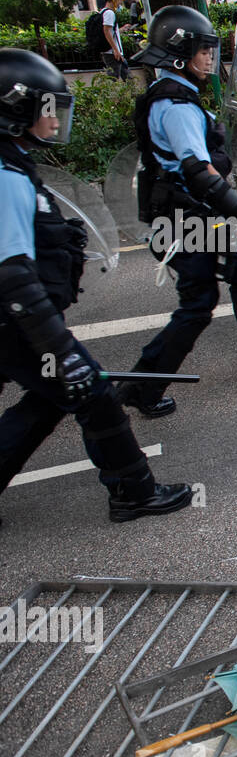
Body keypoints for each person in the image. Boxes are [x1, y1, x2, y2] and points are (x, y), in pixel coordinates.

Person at [0, 48, 193, 524]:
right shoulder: (5, 177)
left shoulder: (11, 162)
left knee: (51, 400)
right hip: (14, 321)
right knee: (93, 395)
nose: (54, 119)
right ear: (14, 110)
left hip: (11, 321)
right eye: (47, 108)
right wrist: (59, 349)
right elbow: (14, 276)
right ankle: (133, 491)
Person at [119, 6, 237, 419]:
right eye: (202, 50)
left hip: (192, 213)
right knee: (198, 302)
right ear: (178, 53)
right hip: (187, 218)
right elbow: (198, 172)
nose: (210, 58)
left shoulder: (165, 93)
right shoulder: (177, 103)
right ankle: (141, 386)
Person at [100, 0, 130, 81]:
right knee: (113, 78)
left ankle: (135, 93)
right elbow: (106, 31)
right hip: (113, 53)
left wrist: (121, 29)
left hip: (114, 52)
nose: (120, 2)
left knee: (128, 77)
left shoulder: (103, 12)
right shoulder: (109, 13)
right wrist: (115, 49)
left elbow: (111, 31)